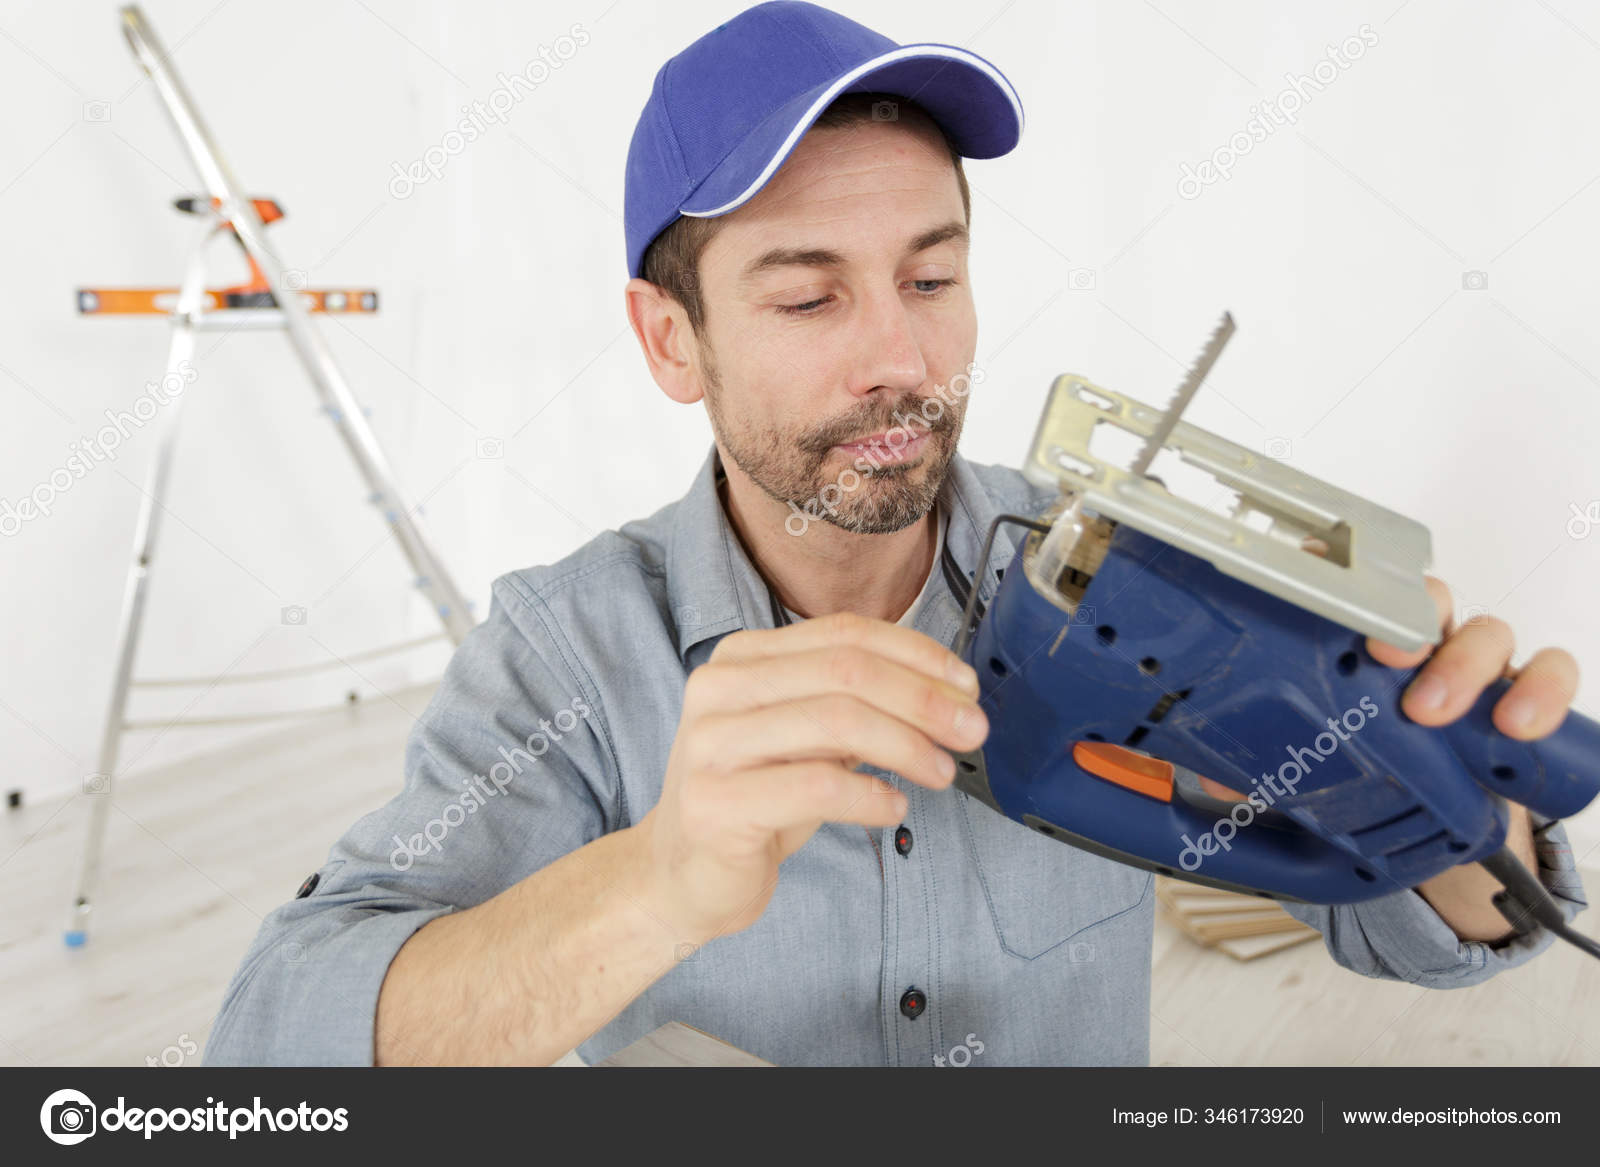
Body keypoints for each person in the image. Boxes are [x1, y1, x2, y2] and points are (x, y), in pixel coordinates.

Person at [204, 1, 1586, 1067]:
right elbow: (281, 1038)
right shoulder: (567, 653)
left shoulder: (1130, 583)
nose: (900, 355)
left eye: (932, 275)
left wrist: (1454, 812)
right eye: (808, 300)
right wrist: (662, 879)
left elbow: (1432, 937)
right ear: (670, 340)